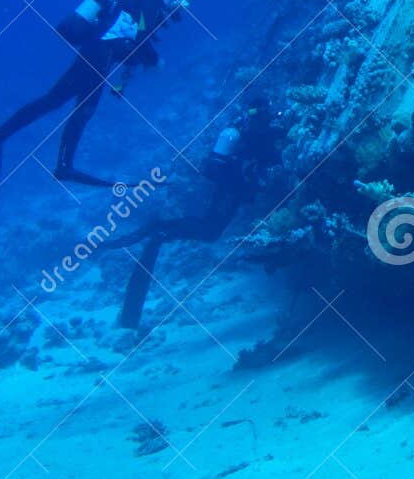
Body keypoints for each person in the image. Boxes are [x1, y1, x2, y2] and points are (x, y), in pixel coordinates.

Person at [0, 0, 188, 254]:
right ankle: (46, 157)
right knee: (78, 108)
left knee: (57, 101)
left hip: (96, 50)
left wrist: (139, 60)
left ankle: (9, 140)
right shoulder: (151, 3)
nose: (183, 8)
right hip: (100, 53)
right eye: (184, 1)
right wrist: (154, 60)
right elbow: (137, 41)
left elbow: (132, 37)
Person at [106, 95, 282, 329]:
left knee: (210, 231)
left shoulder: (268, 131)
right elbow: (213, 170)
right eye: (256, 115)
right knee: (210, 231)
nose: (260, 120)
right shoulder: (236, 136)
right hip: (228, 191)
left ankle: (160, 229)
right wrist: (243, 179)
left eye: (262, 115)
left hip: (236, 190)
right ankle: (160, 229)